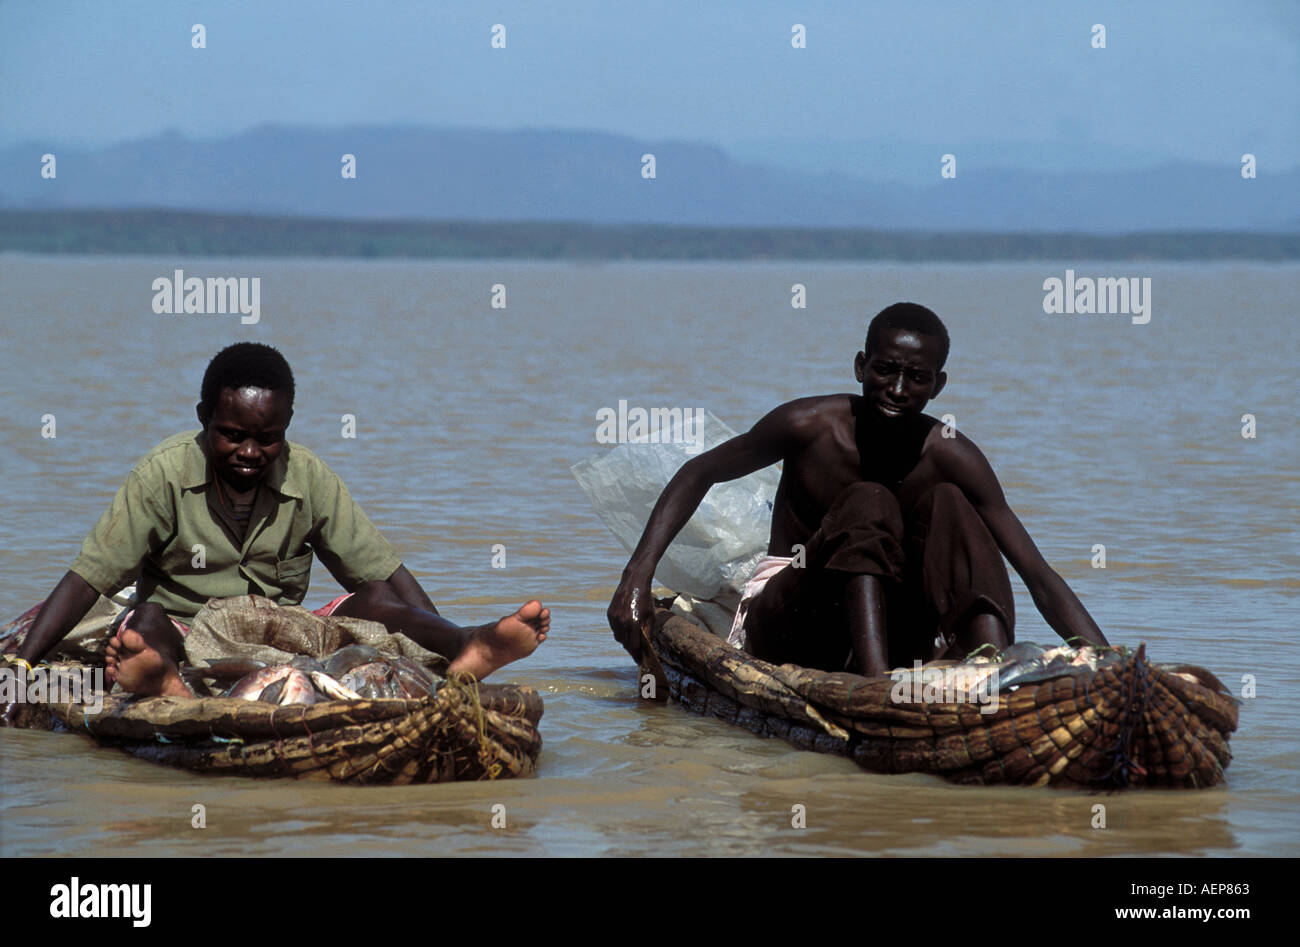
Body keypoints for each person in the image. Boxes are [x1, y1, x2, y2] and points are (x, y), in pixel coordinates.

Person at [13, 342, 549, 697]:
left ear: (286, 427)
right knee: (144, 623)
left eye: (266, 438)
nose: (249, 451)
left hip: (279, 635)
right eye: (232, 434)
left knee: (378, 604)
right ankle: (163, 680)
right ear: (204, 420)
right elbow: (89, 579)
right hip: (184, 628)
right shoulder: (163, 474)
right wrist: (22, 671)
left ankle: (468, 646)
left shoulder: (308, 475)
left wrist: (437, 649)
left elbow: (383, 575)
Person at [607, 302, 1108, 677]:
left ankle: (991, 669)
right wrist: (637, 577)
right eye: (884, 370)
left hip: (895, 624)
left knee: (954, 504)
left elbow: (1036, 573)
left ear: (938, 387)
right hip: (794, 618)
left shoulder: (950, 454)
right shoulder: (809, 425)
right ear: (860, 367)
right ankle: (874, 688)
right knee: (869, 500)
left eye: (916, 378)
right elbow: (698, 472)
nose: (896, 389)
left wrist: (1108, 664)